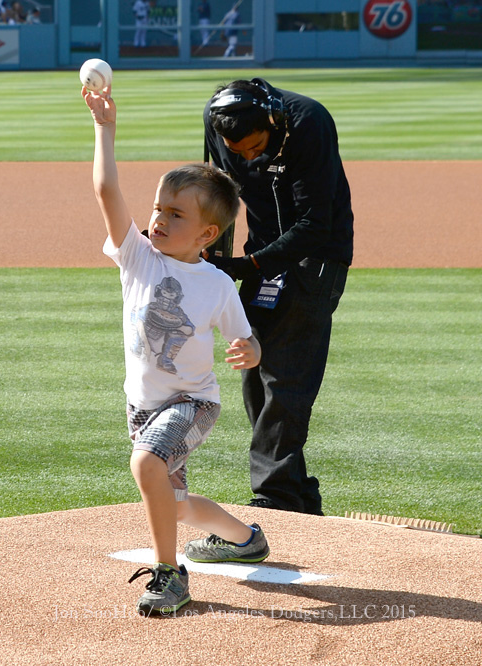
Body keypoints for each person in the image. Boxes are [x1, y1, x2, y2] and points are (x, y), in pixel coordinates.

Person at [83, 83, 270, 617]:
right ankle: (244, 538)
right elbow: (105, 192)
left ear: (208, 233)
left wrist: (250, 353)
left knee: (146, 464)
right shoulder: (139, 257)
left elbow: (246, 337)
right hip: (141, 405)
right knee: (176, 504)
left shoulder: (215, 285)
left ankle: (171, 574)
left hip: (192, 403)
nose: (159, 219)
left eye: (176, 214)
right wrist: (105, 128)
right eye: (157, 208)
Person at [203, 78, 353, 516]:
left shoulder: (308, 123)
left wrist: (249, 267)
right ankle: (298, 493)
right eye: (238, 149)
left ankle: (277, 496)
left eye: (255, 146)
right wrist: (215, 261)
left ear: (273, 120)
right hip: (263, 255)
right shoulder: (218, 119)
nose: (247, 157)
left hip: (316, 257)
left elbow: (314, 224)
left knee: (286, 375)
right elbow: (223, 194)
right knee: (254, 370)